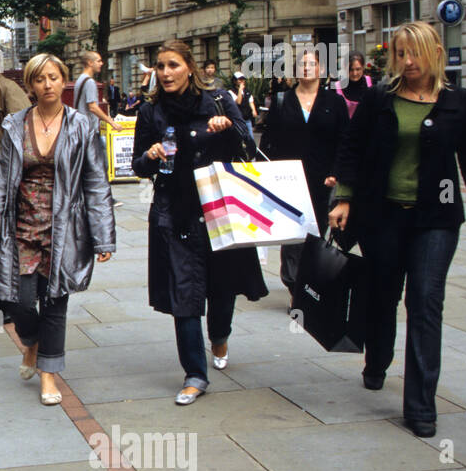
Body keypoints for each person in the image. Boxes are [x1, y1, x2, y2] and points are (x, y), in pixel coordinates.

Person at [330, 21, 466, 438]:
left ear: (435, 51)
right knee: (384, 296)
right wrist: (345, 197)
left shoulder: (458, 103)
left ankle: (421, 406)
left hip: (436, 219)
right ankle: (377, 360)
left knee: (425, 302)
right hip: (383, 215)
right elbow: (352, 146)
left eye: (414, 53)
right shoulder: (378, 98)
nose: (407, 62)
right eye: (400, 54)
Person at [131, 39, 267, 406]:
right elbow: (138, 166)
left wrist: (230, 129)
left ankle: (220, 334)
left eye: (172, 65)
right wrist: (151, 155)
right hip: (174, 211)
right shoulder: (151, 111)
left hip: (220, 209)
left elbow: (249, 151)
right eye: (160, 66)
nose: (165, 73)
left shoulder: (219, 100)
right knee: (184, 294)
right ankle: (194, 373)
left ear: (189, 67)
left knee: (222, 290)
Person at [0, 53, 116, 404]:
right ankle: (31, 342)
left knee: (55, 301)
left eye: (54, 77)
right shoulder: (14, 124)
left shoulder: (82, 125)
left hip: (65, 229)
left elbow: (96, 182)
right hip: (21, 227)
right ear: (30, 85)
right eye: (40, 79)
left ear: (64, 79)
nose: (48, 85)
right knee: (20, 302)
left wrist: (103, 236)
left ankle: (48, 376)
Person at [260, 49, 346, 291]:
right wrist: (268, 174)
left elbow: (345, 140)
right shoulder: (282, 100)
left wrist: (337, 172)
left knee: (317, 230)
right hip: (290, 178)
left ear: (321, 70)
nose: (306, 68)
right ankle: (294, 285)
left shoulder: (334, 102)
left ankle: (312, 281)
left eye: (311, 64)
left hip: (323, 178)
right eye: (301, 65)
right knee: (293, 232)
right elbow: (269, 141)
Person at [75, 51, 121, 135]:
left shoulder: (80, 79)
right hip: (89, 130)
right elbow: (93, 107)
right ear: (90, 62)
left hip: (81, 128)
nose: (102, 63)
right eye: (98, 61)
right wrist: (112, 122)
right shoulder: (89, 82)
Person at [334, 50, 373, 120]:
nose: (355, 73)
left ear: (363, 67)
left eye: (358, 69)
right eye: (351, 70)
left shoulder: (371, 82)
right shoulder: (337, 87)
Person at [230, 71, 258, 139]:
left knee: (250, 138)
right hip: (238, 119)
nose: (241, 81)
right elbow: (238, 102)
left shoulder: (247, 91)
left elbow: (250, 101)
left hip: (247, 118)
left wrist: (254, 110)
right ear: (235, 81)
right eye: (239, 79)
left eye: (242, 79)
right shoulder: (231, 92)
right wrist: (240, 90)